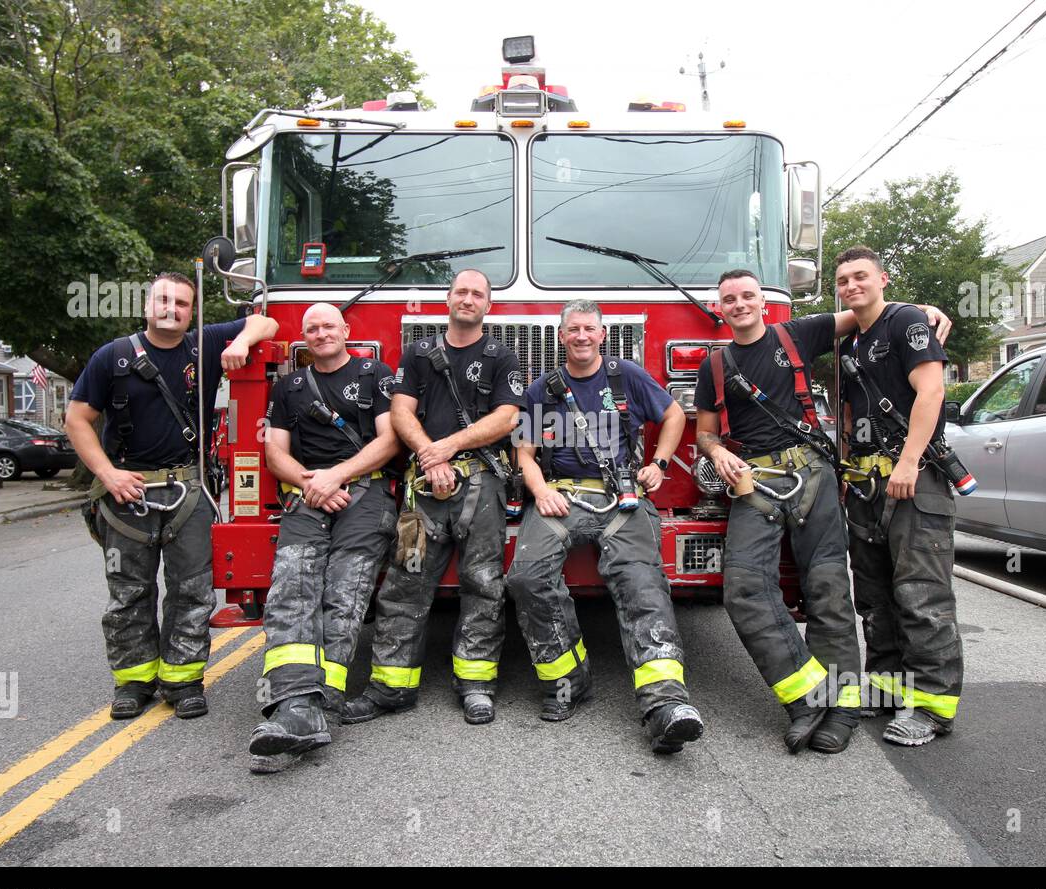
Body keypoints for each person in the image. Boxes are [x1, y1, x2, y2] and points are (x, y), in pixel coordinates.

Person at [694, 269, 949, 755]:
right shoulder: (715, 367)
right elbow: (706, 432)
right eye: (730, 299)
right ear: (720, 308)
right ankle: (810, 699)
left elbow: (868, 308)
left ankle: (845, 707)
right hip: (755, 482)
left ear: (763, 303)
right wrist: (715, 451)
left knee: (827, 592)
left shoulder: (800, 333)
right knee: (744, 590)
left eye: (749, 295)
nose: (741, 304)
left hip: (814, 475)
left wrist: (920, 313)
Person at [67, 272, 277, 720]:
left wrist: (239, 344)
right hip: (126, 493)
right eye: (164, 300)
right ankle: (134, 682)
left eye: (183, 304)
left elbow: (266, 322)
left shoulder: (204, 345)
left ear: (192, 311)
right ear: (147, 305)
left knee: (192, 591)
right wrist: (108, 473)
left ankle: (183, 682)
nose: (173, 309)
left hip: (187, 491)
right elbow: (77, 419)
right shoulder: (112, 357)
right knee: (128, 592)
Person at [506, 300, 705, 754]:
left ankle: (666, 706)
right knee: (526, 577)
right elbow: (525, 455)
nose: (581, 336)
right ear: (561, 337)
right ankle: (567, 682)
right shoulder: (542, 390)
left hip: (621, 499)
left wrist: (657, 463)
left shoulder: (626, 376)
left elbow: (673, 414)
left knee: (642, 583)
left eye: (588, 329)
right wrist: (541, 493)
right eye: (573, 329)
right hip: (562, 496)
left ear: (601, 335)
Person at [342, 269, 523, 726]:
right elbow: (400, 410)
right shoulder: (420, 354)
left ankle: (477, 684)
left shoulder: (503, 356)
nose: (468, 299)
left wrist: (449, 447)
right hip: (422, 491)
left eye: (477, 293)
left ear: (488, 305)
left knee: (483, 583)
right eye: (461, 291)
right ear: (449, 299)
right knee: (405, 581)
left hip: (482, 485)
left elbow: (506, 418)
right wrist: (429, 454)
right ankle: (390, 686)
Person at [247, 303, 400, 772]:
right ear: (306, 338)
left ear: (345, 331)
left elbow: (389, 441)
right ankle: (298, 704)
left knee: (345, 591)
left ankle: (317, 700)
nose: (320, 333)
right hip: (307, 496)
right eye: (311, 328)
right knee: (291, 588)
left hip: (365, 493)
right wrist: (312, 483)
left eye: (328, 325)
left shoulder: (376, 373)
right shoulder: (289, 386)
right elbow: (274, 451)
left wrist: (335, 477)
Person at [835, 246, 962, 746]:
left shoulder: (908, 321)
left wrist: (908, 462)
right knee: (875, 596)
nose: (850, 285)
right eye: (843, 280)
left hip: (914, 480)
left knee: (921, 596)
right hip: (865, 484)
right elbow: (848, 416)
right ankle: (888, 690)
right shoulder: (849, 345)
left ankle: (933, 709)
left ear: (882, 279)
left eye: (860, 276)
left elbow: (931, 393)